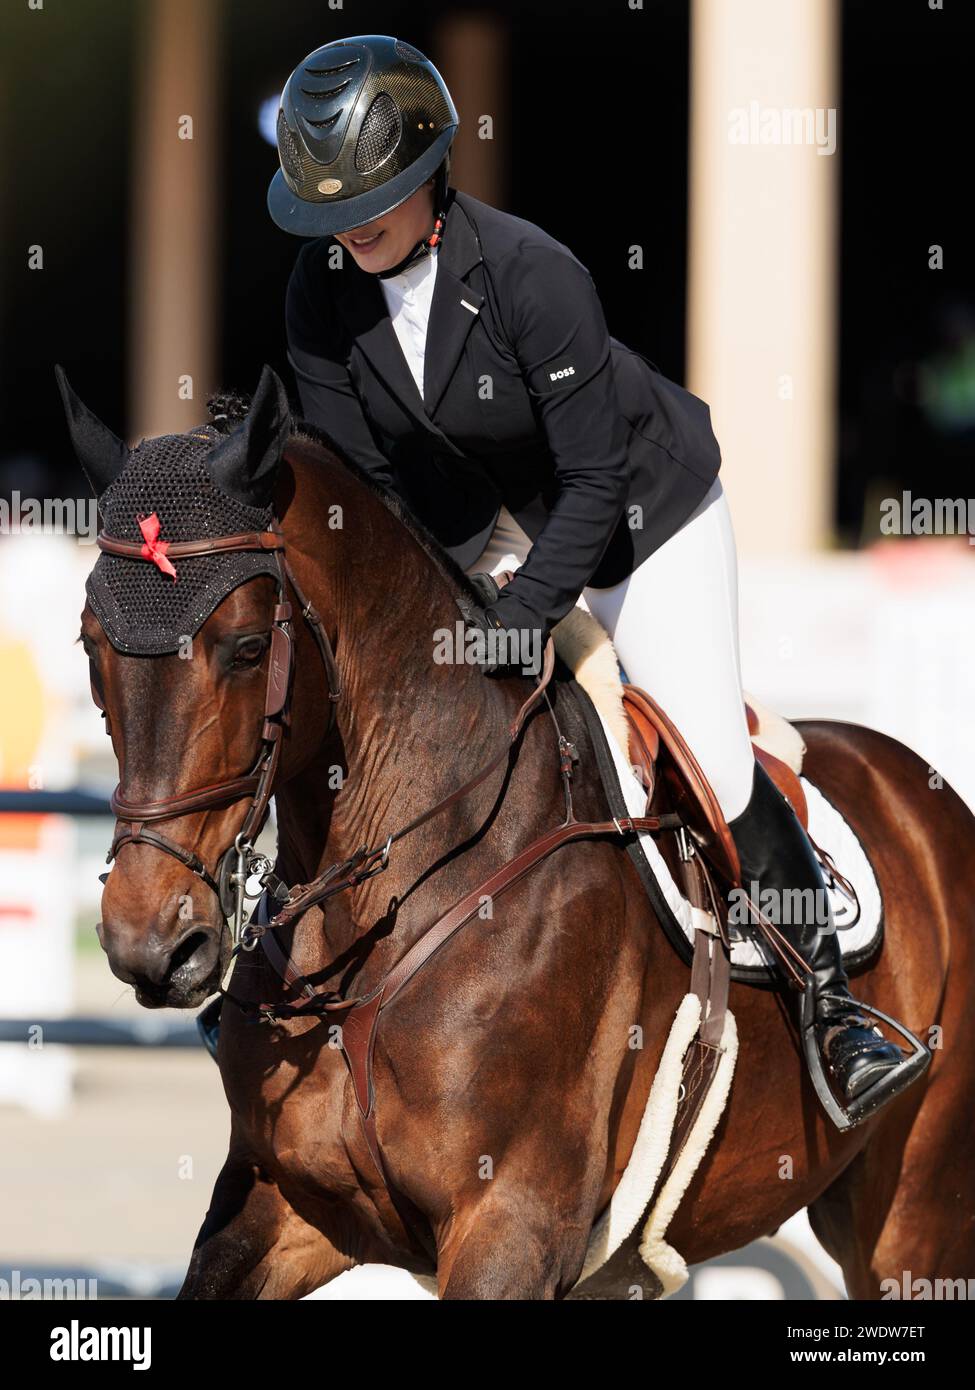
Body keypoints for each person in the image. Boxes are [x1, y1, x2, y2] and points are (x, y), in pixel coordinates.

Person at [269, 34, 927, 1127]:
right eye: (331, 210)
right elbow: (365, 484)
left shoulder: (531, 274)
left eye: (373, 199)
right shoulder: (319, 291)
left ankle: (834, 1009)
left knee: (705, 752)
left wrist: (525, 621)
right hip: (481, 529)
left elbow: (592, 477)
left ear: (432, 172)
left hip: (636, 519)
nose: (351, 228)